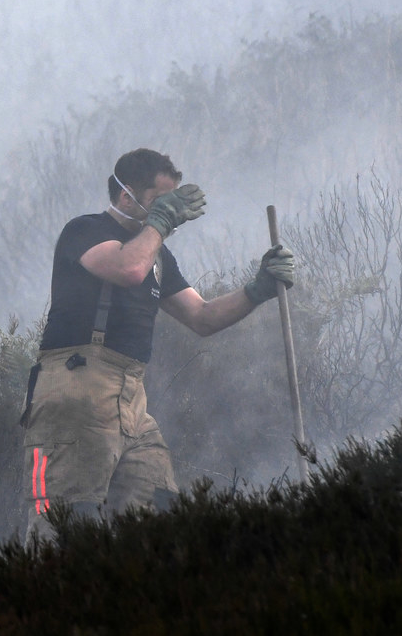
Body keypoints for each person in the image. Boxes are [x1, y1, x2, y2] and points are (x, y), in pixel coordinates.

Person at [20, 147, 296, 527]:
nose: (171, 213)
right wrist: (161, 223)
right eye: (159, 202)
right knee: (66, 522)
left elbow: (202, 317)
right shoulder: (84, 230)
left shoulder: (159, 256)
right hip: (75, 389)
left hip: (132, 399)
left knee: (158, 511)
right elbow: (128, 268)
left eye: (172, 204)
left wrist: (258, 289)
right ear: (125, 195)